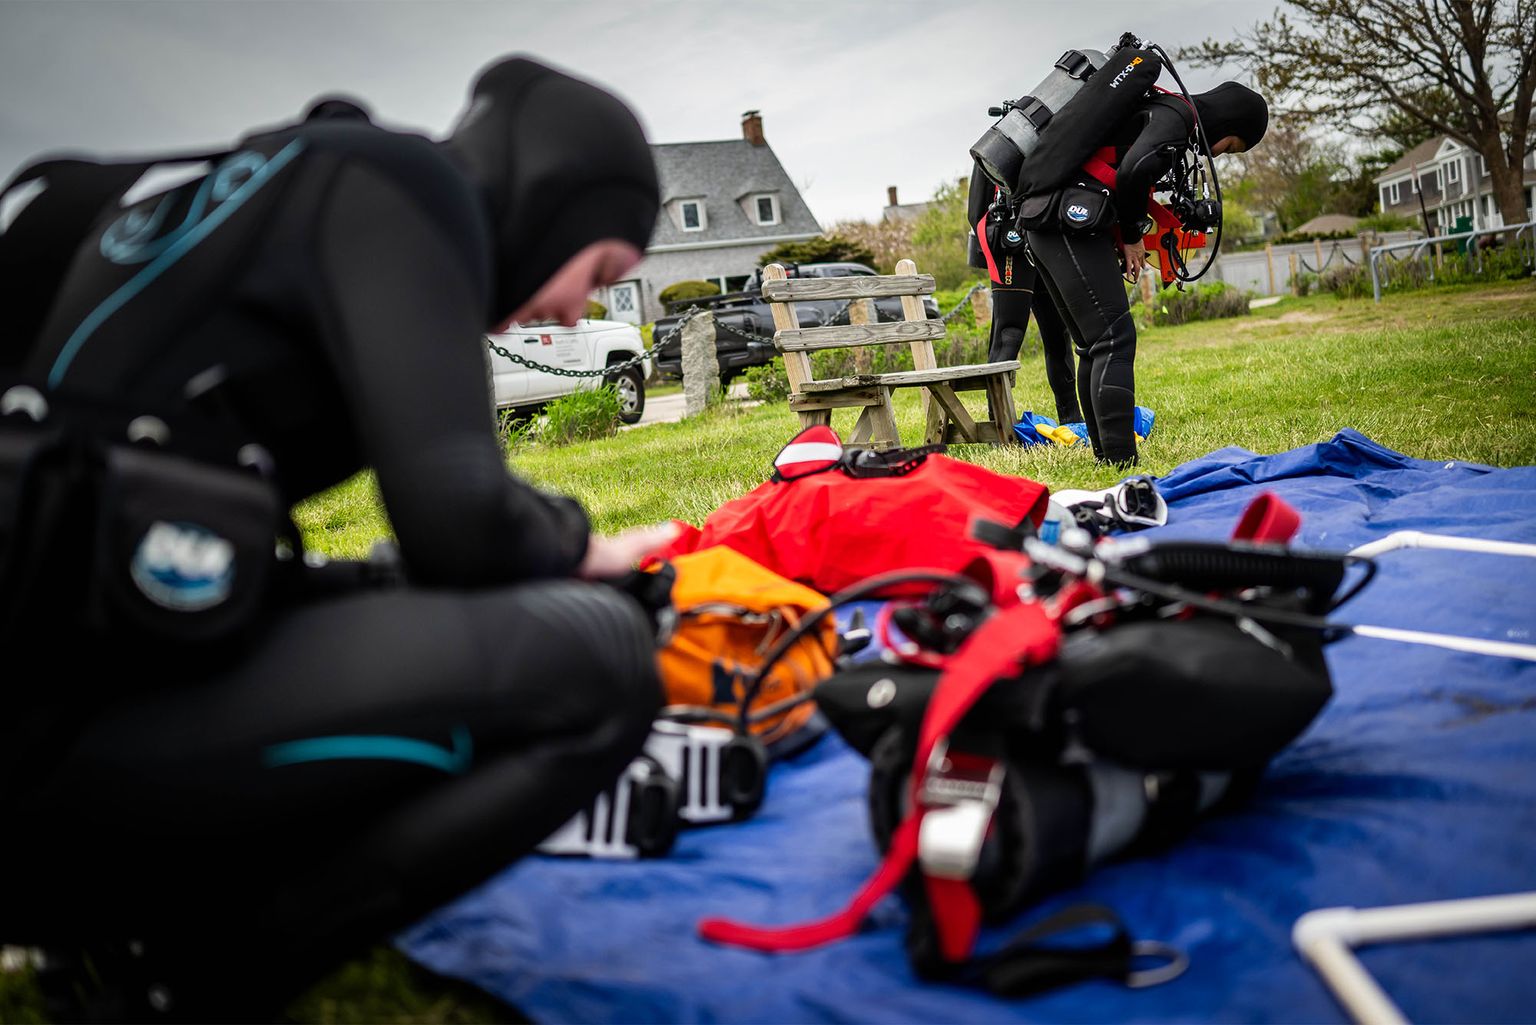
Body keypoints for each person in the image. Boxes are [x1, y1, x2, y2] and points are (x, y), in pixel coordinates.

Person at [0, 55, 673, 1018]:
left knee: (384, 591)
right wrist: (582, 545)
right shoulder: (406, 185)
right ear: (549, 203)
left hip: (57, 734)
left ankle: (124, 932)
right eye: (601, 269)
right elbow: (462, 523)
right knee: (603, 660)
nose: (577, 311)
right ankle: (184, 987)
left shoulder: (260, 185)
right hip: (47, 774)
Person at [1025, 75, 1268, 465]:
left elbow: (1120, 166)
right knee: (1113, 340)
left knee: (1093, 345)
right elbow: (1135, 169)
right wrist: (1134, 232)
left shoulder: (1158, 107)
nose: (1218, 154)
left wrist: (1124, 231)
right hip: (1068, 220)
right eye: (1231, 146)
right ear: (1229, 123)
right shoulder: (1178, 116)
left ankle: (1108, 456)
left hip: (1047, 217)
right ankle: (1121, 460)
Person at [967, 165, 1082, 425]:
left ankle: (1072, 419)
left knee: (1058, 334)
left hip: (1045, 235)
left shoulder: (1052, 133)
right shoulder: (1003, 140)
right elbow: (976, 212)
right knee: (1009, 335)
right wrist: (998, 241)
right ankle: (999, 424)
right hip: (1012, 243)